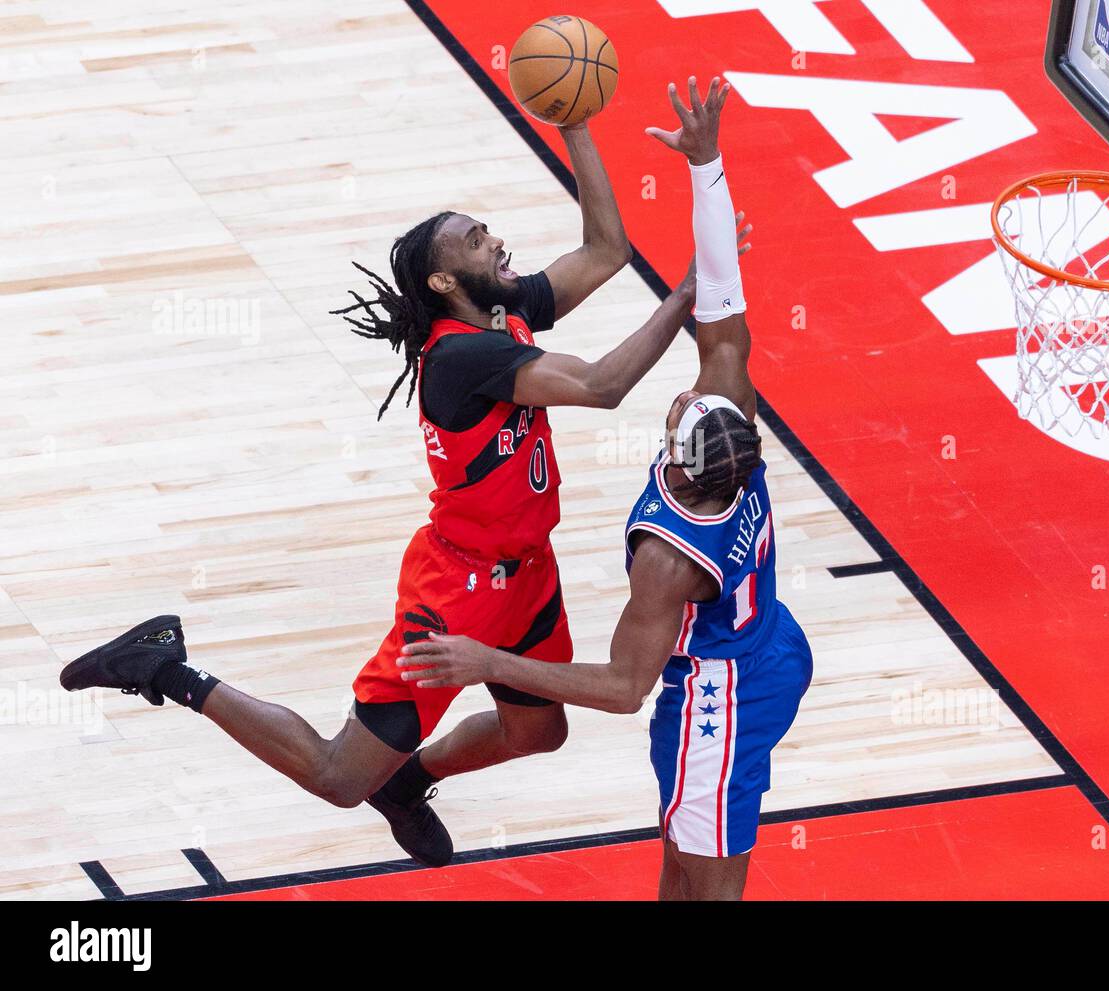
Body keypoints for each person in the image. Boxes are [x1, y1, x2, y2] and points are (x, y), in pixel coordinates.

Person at [59, 120, 700, 868]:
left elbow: (605, 251)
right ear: (441, 281)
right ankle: (164, 663)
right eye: (473, 240)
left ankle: (407, 783)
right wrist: (688, 293)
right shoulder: (462, 359)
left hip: (525, 573)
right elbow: (603, 384)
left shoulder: (499, 308)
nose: (494, 241)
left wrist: (576, 124)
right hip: (455, 590)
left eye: (487, 230)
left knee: (538, 733)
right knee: (338, 775)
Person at [398, 77, 813, 900]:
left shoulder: (667, 555)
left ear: (680, 457)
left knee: (706, 888)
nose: (690, 391)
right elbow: (724, 312)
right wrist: (706, 165)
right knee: (679, 865)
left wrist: (487, 659)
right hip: (773, 647)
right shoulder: (735, 448)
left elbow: (625, 687)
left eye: (688, 406)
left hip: (717, 697)